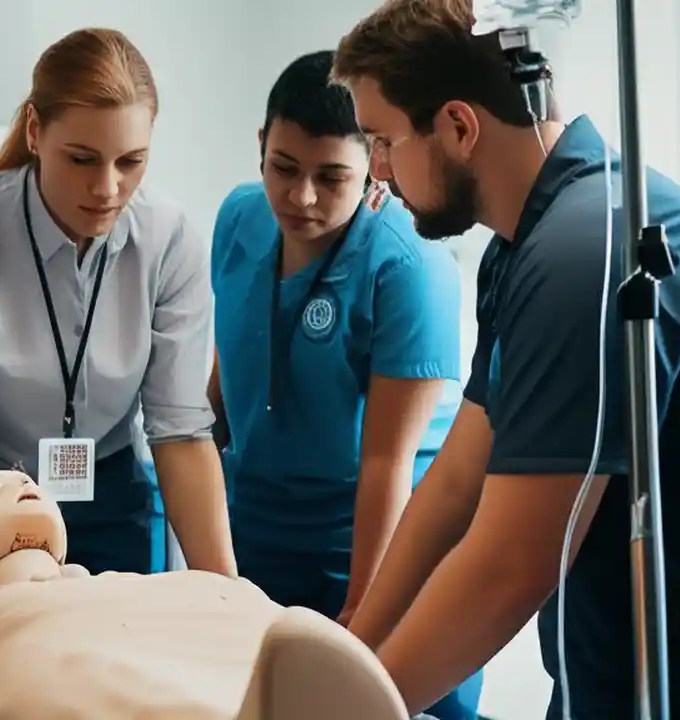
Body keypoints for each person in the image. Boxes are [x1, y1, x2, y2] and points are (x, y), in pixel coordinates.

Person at [330, 1, 680, 717]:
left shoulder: (584, 253)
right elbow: (458, 481)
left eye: (382, 140)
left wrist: (355, 707)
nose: (375, 170)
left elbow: (510, 564)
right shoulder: (525, 247)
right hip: (602, 672)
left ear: (459, 127)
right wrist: (355, 649)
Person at [0, 27, 237, 620]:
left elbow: (180, 435)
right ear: (34, 132)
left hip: (103, 502)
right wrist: (12, 603)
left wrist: (229, 600)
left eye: (131, 162)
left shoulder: (168, 240)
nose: (107, 188)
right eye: (82, 160)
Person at [206, 49, 481, 720]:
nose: (301, 197)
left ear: (375, 170)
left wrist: (366, 612)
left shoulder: (408, 264)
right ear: (261, 149)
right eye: (284, 168)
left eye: (332, 177)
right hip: (256, 529)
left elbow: (387, 463)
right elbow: (224, 377)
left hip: (374, 543)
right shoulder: (239, 218)